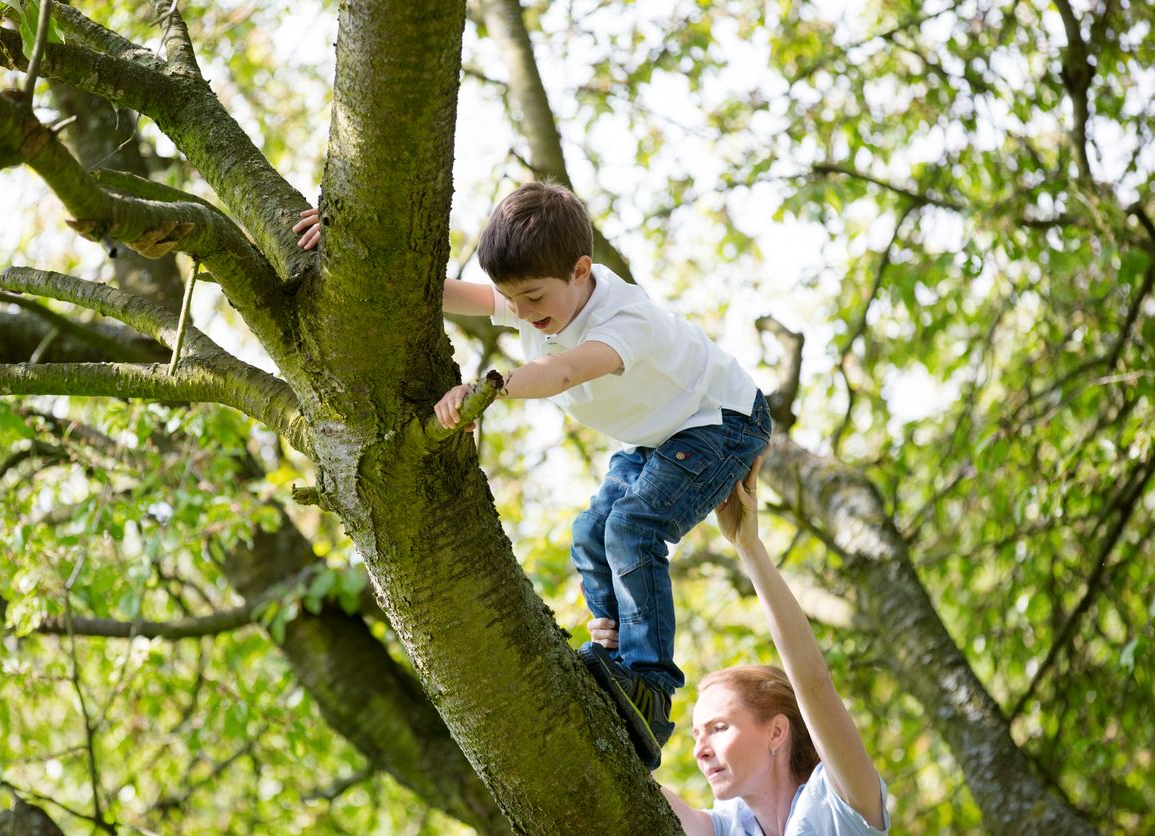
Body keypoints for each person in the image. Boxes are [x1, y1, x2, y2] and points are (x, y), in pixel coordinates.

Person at [295, 181, 771, 768]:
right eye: (510, 297)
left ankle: (650, 686)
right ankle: (618, 657)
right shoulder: (538, 293)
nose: (520, 313)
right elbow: (459, 295)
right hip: (657, 434)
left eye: (532, 298)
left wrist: (486, 390)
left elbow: (566, 370)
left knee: (632, 528)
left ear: (580, 270)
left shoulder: (624, 317)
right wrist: (358, 265)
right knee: (590, 535)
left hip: (719, 422)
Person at [589, 457, 889, 835]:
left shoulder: (841, 805)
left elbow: (813, 683)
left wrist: (749, 546)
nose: (700, 750)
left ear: (777, 733)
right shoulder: (725, 827)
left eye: (718, 728)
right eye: (698, 734)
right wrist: (610, 660)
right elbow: (618, 761)